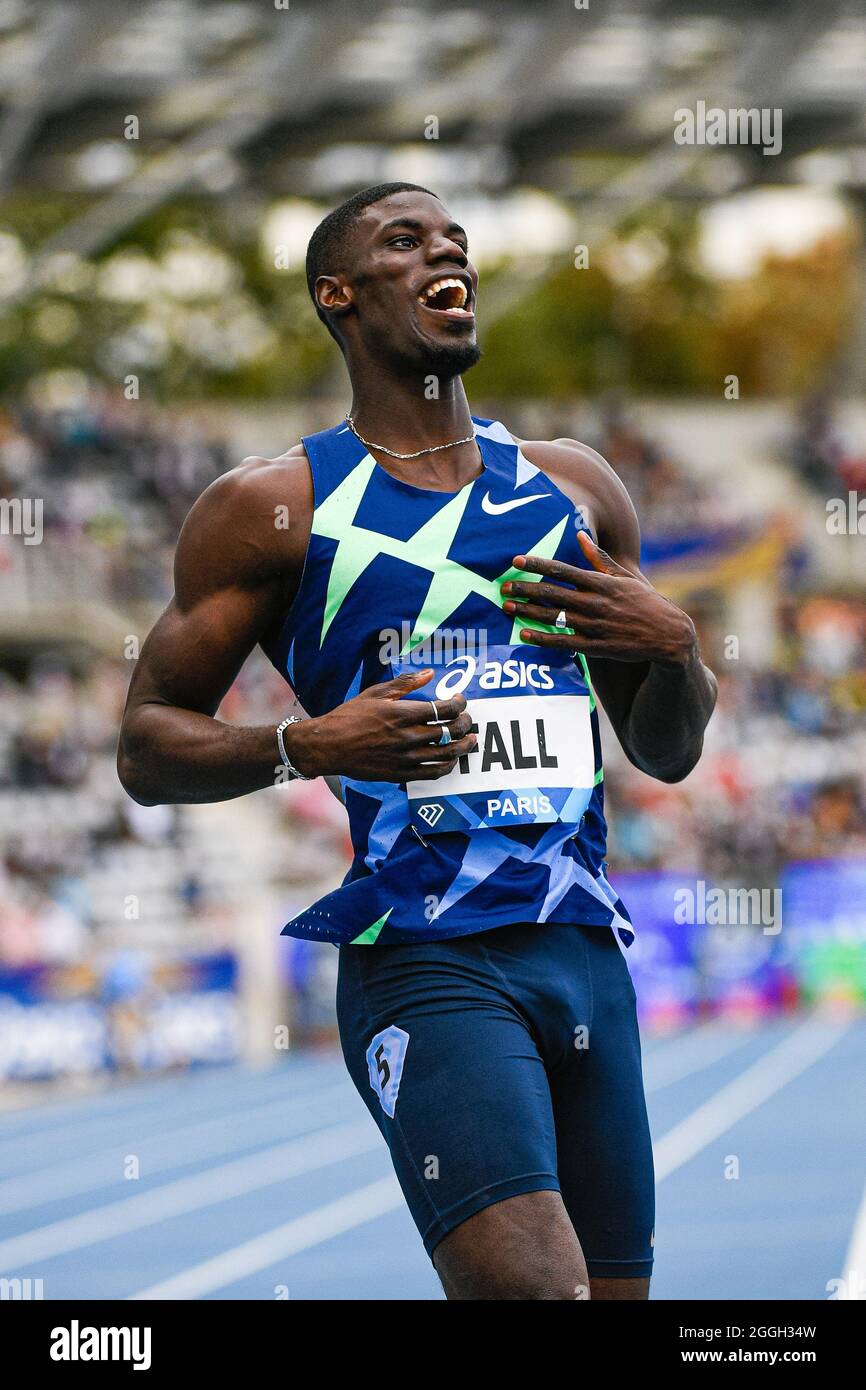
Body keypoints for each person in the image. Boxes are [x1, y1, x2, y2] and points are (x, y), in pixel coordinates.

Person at [118, 182, 717, 1300]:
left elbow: (666, 752)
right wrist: (307, 745)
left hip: (583, 952)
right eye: (406, 242)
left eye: (457, 240)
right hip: (427, 953)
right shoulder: (275, 505)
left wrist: (676, 648)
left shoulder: (573, 486)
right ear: (336, 295)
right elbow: (145, 748)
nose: (448, 256)